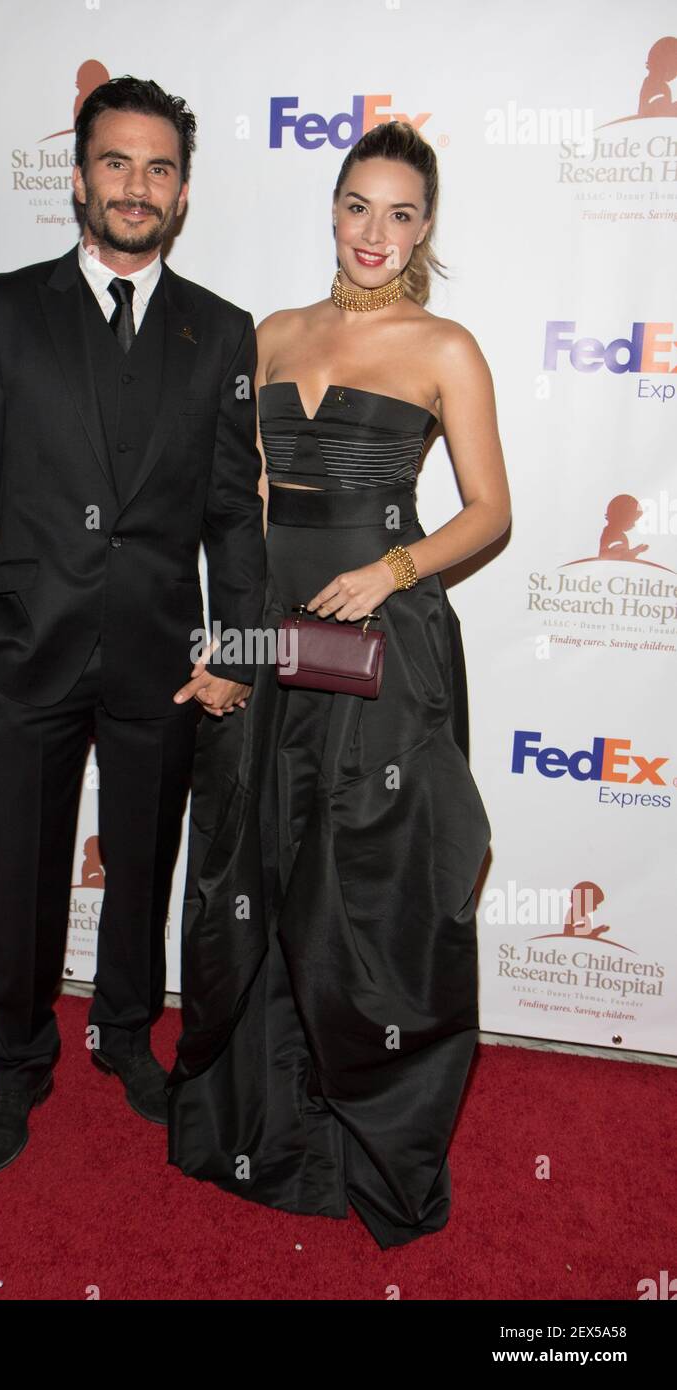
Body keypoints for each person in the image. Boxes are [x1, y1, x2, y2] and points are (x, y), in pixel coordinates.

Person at [166, 120, 511, 1249]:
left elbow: (488, 511)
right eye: (357, 205)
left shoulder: (443, 346)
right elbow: (249, 510)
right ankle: (265, 1129)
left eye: (400, 213)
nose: (375, 232)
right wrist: (227, 642)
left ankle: (377, 1138)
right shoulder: (268, 334)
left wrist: (391, 569)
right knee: (257, 868)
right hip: (276, 640)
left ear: (425, 227)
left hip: (384, 646)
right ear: (332, 208)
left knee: (367, 894)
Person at [0, 76, 265, 1175]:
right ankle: (14, 1064)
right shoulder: (3, 308)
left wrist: (237, 643)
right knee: (24, 872)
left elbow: (229, 508)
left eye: (159, 168)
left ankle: (125, 1035)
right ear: (78, 178)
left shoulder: (218, 331)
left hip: (160, 658)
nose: (137, 186)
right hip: (27, 647)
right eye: (116, 163)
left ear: (182, 193)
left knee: (142, 863)